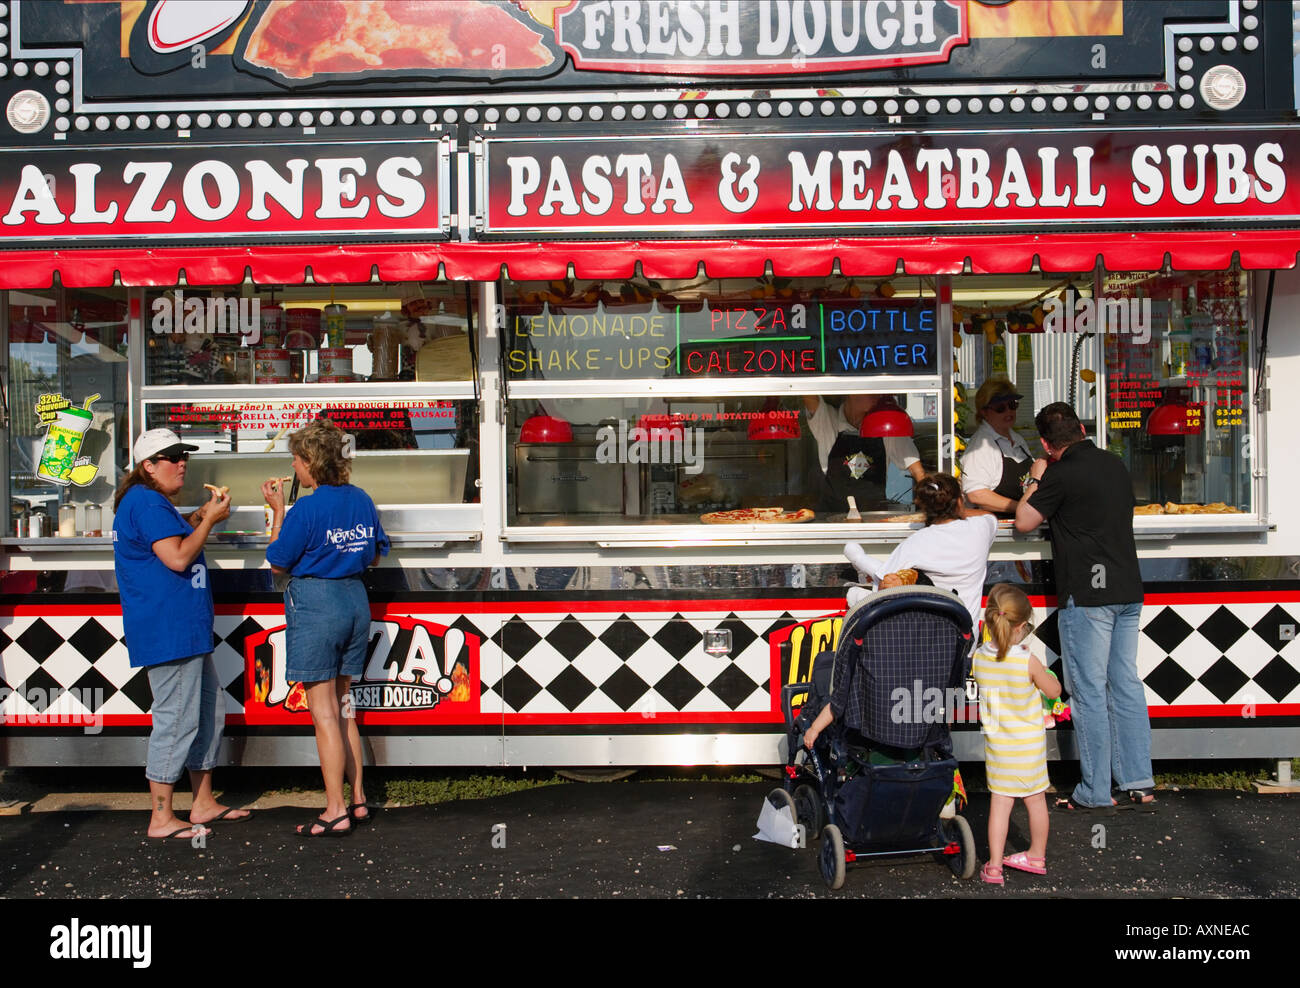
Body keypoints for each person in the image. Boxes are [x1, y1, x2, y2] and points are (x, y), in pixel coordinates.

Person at [1014, 402, 1155, 810]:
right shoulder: (1114, 464)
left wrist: (1035, 479)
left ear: (1045, 443)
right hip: (1128, 588)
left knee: (1090, 691)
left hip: (1088, 596)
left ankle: (1095, 791)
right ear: (1080, 428)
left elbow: (1024, 521)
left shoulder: (1059, 474)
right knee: (1125, 684)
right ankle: (1139, 781)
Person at [112, 428, 250, 840]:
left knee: (207, 712)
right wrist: (208, 519)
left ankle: (203, 803)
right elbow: (176, 557)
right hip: (168, 628)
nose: (182, 463)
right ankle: (161, 817)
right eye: (172, 457)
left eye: (183, 455)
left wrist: (199, 516)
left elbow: (171, 539)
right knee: (177, 719)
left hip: (183, 627)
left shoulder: (150, 502)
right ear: (147, 466)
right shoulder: (146, 501)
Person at [264, 418, 389, 837]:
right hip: (356, 601)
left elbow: (277, 561)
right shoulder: (362, 498)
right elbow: (374, 555)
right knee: (345, 707)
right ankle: (357, 801)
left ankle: (334, 808)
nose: (295, 468)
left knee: (323, 714)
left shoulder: (308, 509)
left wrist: (279, 513)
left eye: (296, 460)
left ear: (309, 463)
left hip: (318, 605)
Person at [972, 584, 1060, 885]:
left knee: (1000, 804)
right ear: (1021, 626)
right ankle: (1036, 855)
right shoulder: (1027, 660)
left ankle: (994, 866)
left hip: (999, 747)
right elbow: (1054, 691)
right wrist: (1046, 676)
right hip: (1029, 746)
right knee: (1035, 800)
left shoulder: (979, 658)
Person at [845, 472, 998, 633]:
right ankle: (860, 561)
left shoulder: (915, 542)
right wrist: (957, 510)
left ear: (924, 508)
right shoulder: (980, 529)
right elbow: (989, 516)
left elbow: (885, 586)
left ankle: (860, 573)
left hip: (924, 645)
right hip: (965, 643)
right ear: (959, 501)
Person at [803, 394, 926, 514]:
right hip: (832, 518)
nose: (877, 394)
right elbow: (808, 392)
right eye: (868, 387)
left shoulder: (886, 424)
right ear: (851, 392)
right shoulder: (829, 421)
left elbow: (916, 468)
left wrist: (930, 497)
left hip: (872, 517)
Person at [960, 379, 1035, 517]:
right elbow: (976, 494)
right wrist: (1022, 508)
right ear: (984, 412)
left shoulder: (1017, 439)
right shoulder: (981, 446)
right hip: (996, 530)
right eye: (1000, 408)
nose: (1008, 412)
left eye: (1012, 405)